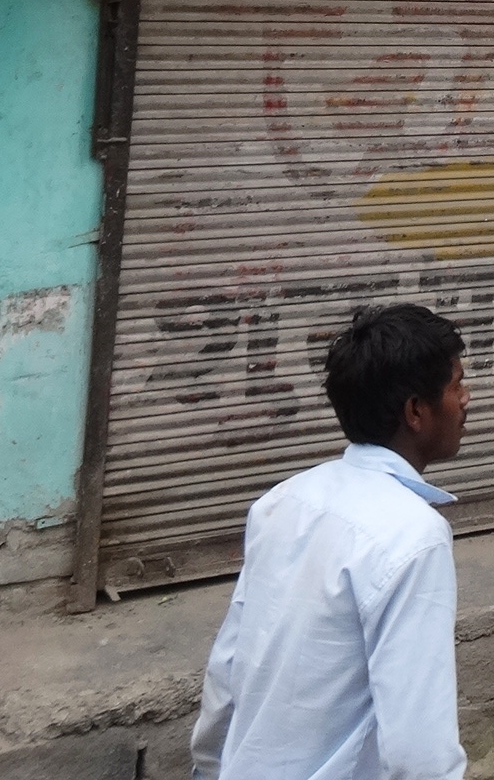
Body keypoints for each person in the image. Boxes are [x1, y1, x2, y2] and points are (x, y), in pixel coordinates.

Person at [193, 305, 472, 780]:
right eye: (456, 385)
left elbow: (227, 672)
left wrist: (209, 767)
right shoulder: (414, 537)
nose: (466, 399)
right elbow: (418, 748)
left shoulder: (282, 502)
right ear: (416, 411)